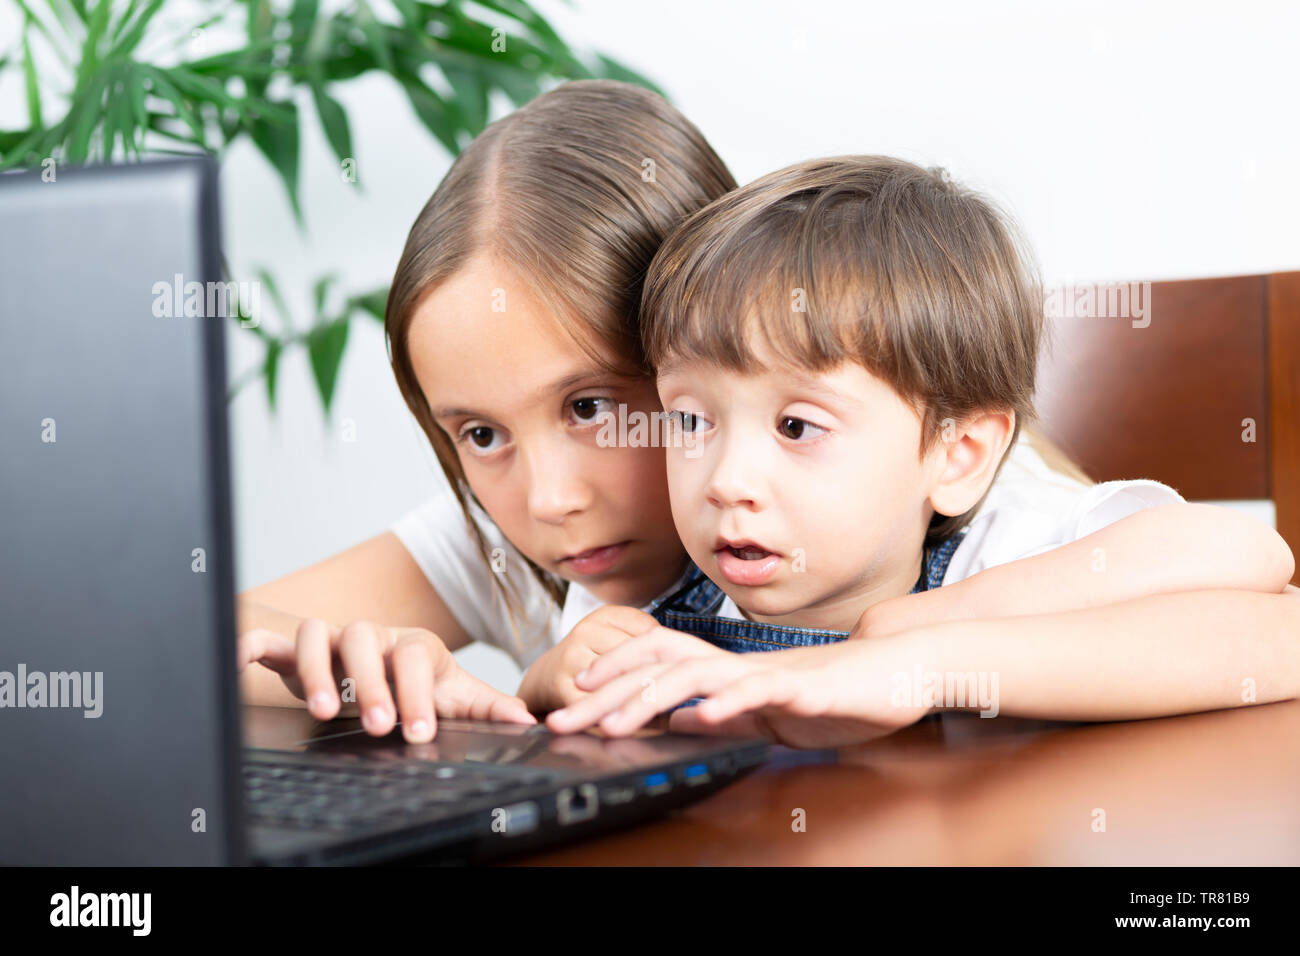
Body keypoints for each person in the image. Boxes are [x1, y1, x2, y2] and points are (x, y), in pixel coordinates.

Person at [238, 93, 1293, 743]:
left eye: (597, 406)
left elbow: (1253, 589)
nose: (546, 497)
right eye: (480, 434)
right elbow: (192, 648)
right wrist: (352, 659)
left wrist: (901, 642)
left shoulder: (952, 526)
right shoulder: (524, 543)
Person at [544, 156, 1299, 744]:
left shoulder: (1002, 554)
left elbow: (1258, 572)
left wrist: (917, 647)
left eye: (797, 427)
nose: (726, 481)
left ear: (958, 456)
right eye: (690, 422)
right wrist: (553, 679)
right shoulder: (655, 588)